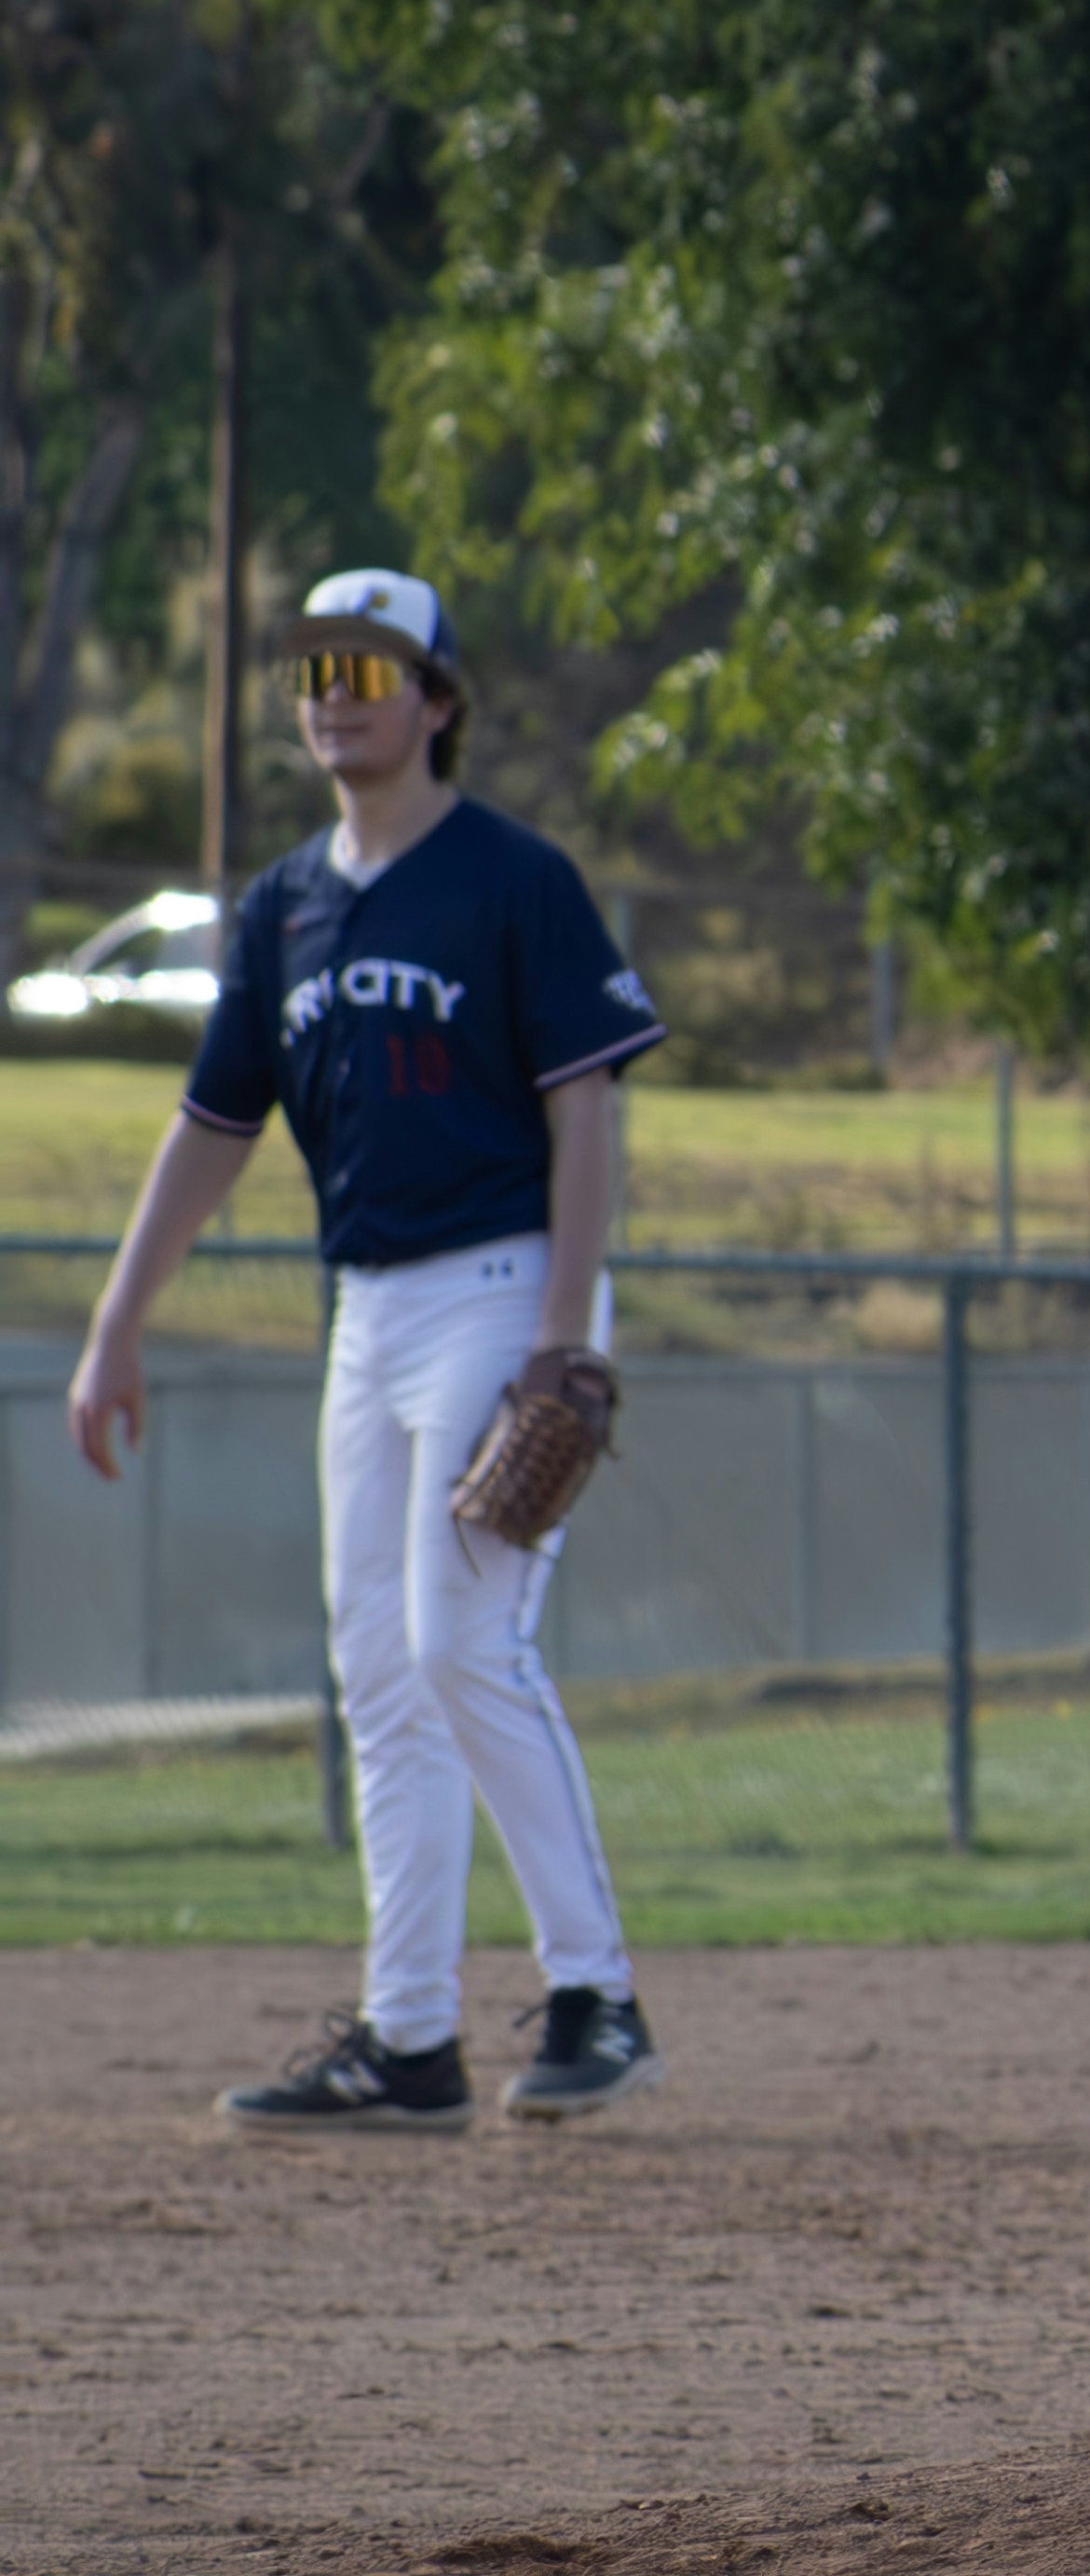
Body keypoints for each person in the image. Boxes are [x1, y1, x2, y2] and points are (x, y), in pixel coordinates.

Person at [58, 568, 672, 2131]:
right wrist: (117, 1325)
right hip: (371, 1307)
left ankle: (596, 1993)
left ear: (439, 701)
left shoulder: (513, 880)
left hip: (505, 1288)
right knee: (384, 1673)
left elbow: (586, 1106)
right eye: (318, 666)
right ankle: (409, 2038)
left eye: (374, 666)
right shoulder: (281, 908)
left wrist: (565, 1338)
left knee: (470, 1644)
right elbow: (213, 1128)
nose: (338, 689)